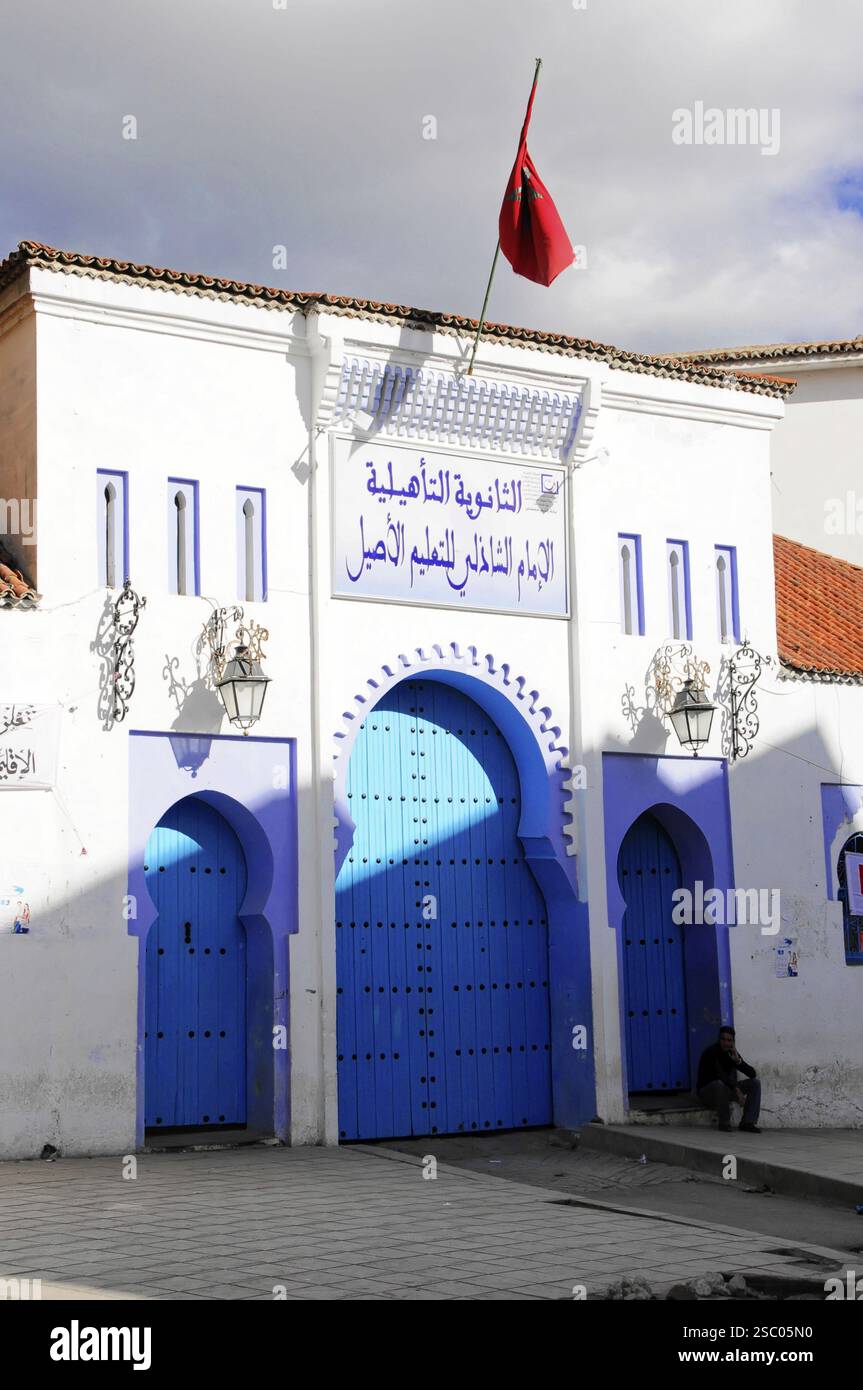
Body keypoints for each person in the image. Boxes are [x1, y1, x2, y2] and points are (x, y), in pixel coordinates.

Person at [696, 1026, 761, 1133]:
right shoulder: (711, 1052)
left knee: (755, 1083)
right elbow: (719, 1075)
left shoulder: (731, 1053)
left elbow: (752, 1074)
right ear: (719, 1039)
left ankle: (748, 1122)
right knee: (719, 1084)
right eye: (723, 1039)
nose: (726, 1043)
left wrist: (738, 1061)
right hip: (707, 1094)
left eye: (729, 1040)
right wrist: (737, 1089)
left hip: (725, 1091)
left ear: (733, 1042)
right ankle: (724, 1122)